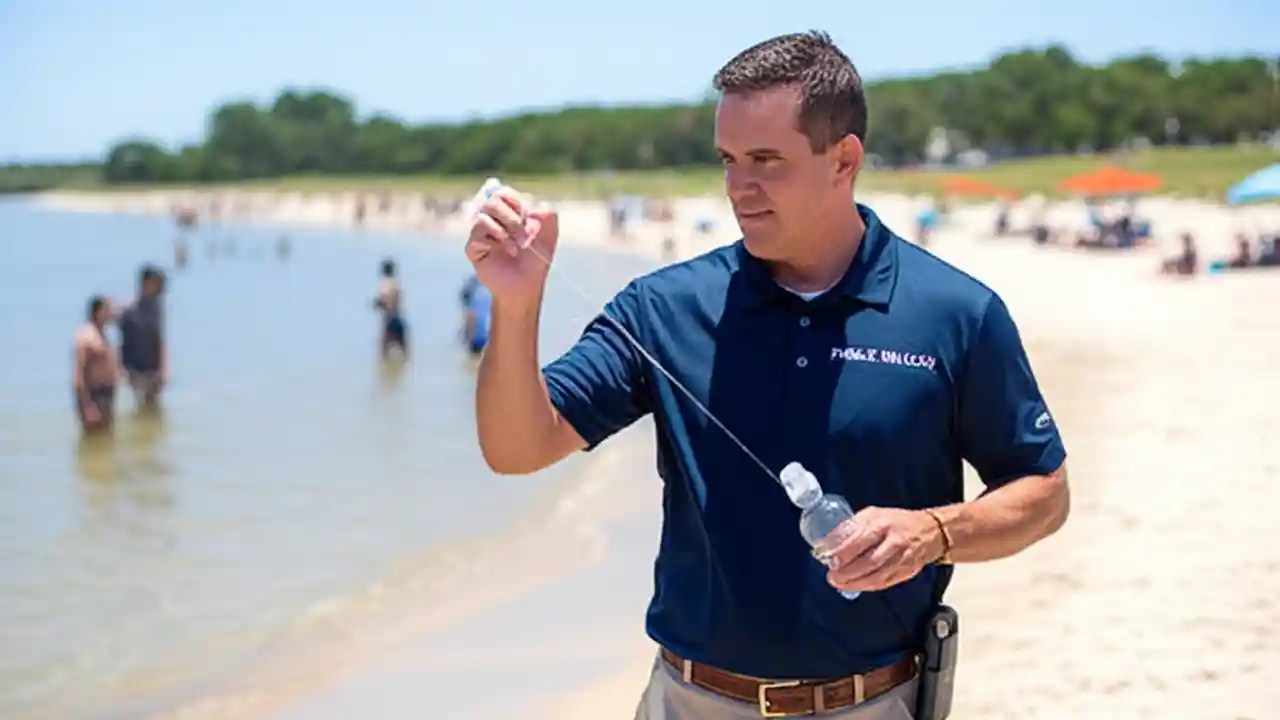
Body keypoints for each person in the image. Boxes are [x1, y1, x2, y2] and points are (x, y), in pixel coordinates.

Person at [466, 31, 1069, 719]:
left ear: (843, 160)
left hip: (871, 703)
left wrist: (933, 532)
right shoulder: (666, 307)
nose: (738, 189)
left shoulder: (956, 313)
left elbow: (1044, 492)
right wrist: (515, 305)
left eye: (765, 161)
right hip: (688, 701)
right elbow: (516, 449)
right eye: (728, 160)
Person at [118, 265, 169, 408]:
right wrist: (125, 370)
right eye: (158, 284)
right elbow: (123, 343)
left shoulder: (157, 306)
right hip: (135, 368)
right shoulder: (128, 310)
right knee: (139, 405)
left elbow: (159, 336)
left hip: (154, 367)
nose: (161, 289)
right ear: (145, 284)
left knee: (154, 407)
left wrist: (164, 367)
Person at [73, 296, 119, 433]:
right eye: (108, 310)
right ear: (97, 312)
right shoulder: (85, 336)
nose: (112, 313)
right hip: (93, 393)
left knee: (106, 435)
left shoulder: (103, 334)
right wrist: (87, 404)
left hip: (106, 392)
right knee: (93, 434)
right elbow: (79, 373)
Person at [374, 258, 408, 358]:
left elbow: (384, 301)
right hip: (399, 318)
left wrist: (377, 304)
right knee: (403, 352)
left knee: (384, 352)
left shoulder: (385, 284)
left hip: (388, 319)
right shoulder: (397, 284)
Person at [459, 273, 492, 356]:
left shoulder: (475, 287)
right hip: (489, 338)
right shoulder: (484, 287)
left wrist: (466, 338)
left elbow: (470, 317)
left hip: (478, 341)